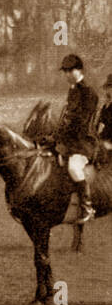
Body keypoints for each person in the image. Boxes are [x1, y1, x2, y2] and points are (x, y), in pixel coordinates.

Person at [55, 54, 99, 224]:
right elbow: (66, 118)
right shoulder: (73, 90)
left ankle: (88, 207)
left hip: (83, 143)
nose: (66, 74)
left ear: (79, 70)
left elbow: (80, 123)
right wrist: (54, 136)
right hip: (69, 141)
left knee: (74, 168)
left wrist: (62, 138)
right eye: (64, 71)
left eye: (69, 71)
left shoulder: (89, 93)